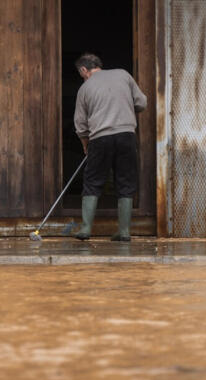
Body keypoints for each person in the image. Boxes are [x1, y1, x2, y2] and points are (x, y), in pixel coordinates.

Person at [68, 53, 147, 242]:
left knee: (93, 181)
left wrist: (85, 145)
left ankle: (86, 229)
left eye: (82, 74)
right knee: (125, 181)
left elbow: (80, 124)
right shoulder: (123, 75)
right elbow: (142, 103)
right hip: (126, 135)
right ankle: (124, 231)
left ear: (84, 70)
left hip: (100, 138)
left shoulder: (85, 87)